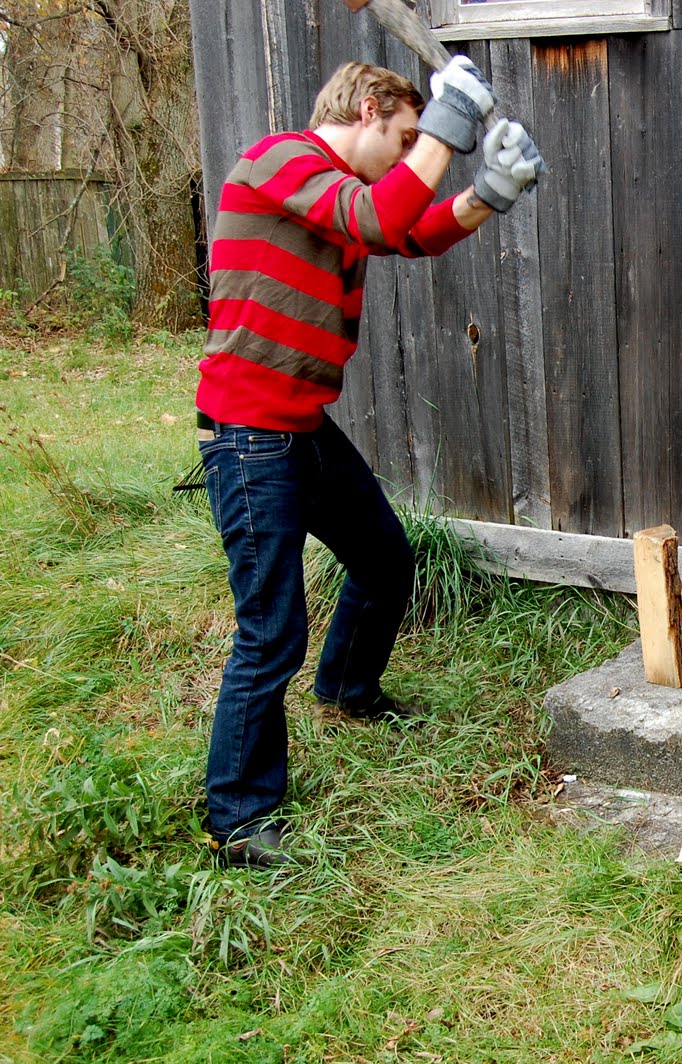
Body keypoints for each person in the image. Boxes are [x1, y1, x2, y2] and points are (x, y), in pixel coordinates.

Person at [194, 58, 544, 870]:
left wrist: (487, 193)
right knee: (270, 629)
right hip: (249, 436)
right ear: (367, 107)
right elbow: (386, 219)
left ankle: (348, 689)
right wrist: (453, 122)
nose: (412, 155)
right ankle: (238, 820)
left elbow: (412, 229)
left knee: (385, 559)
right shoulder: (280, 162)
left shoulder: (339, 199)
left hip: (298, 428)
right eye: (407, 137)